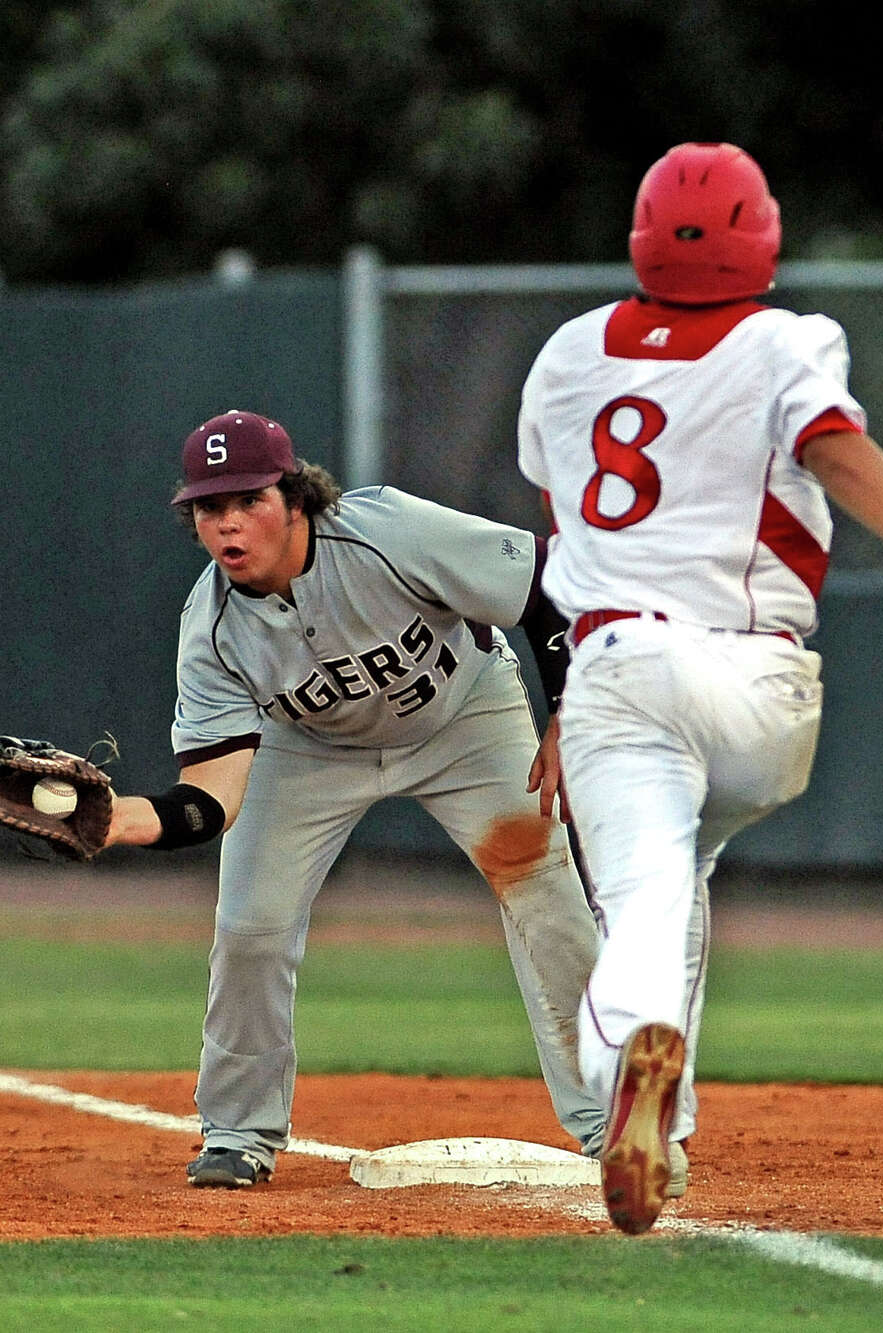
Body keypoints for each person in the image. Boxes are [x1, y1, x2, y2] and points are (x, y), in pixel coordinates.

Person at [516, 141, 883, 1235]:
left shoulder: (568, 353)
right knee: (689, 859)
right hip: (759, 686)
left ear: (639, 237)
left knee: (642, 904)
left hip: (618, 668)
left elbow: (560, 504)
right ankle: (675, 1117)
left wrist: (566, 698)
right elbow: (832, 446)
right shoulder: (787, 338)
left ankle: (632, 1072)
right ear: (766, 234)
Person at [102, 409, 605, 1186]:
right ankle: (239, 1131)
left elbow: (543, 580)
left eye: (250, 500)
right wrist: (115, 821)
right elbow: (209, 799)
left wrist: (571, 708)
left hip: (464, 715)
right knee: (250, 924)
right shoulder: (212, 629)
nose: (229, 523)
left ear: (297, 498)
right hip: (306, 752)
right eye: (210, 507)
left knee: (544, 888)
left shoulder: (386, 530)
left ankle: (613, 1116)